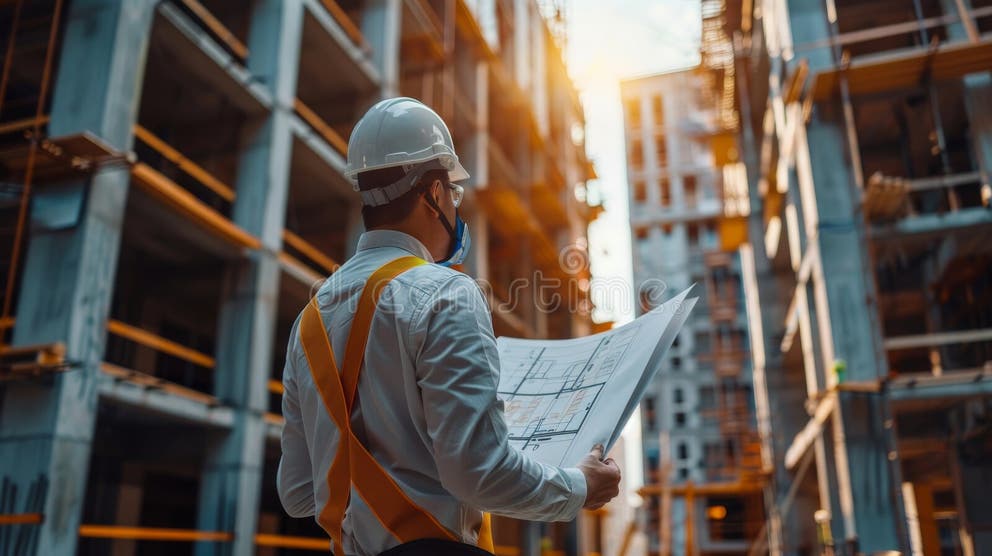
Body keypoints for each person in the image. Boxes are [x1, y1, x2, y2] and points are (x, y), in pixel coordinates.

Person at [277, 97, 621, 556]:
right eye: (453, 194)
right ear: (433, 193)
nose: (456, 209)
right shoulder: (445, 294)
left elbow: (299, 492)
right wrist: (579, 488)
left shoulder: (310, 321)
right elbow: (479, 473)